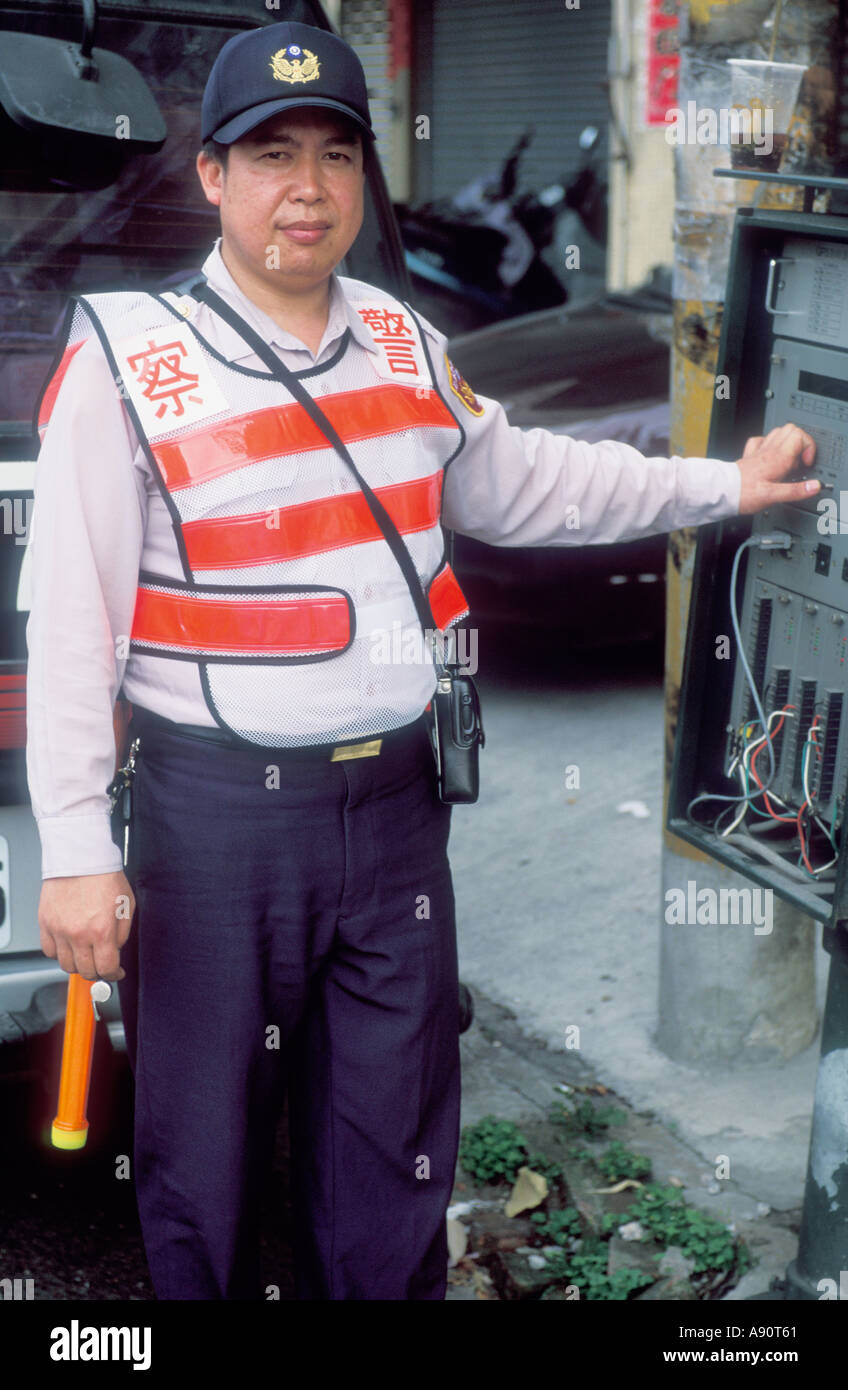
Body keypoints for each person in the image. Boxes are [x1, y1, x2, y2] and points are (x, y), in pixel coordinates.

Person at [27, 20, 820, 1302]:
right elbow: (70, 620)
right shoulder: (129, 358)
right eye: (269, 154)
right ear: (211, 178)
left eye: (335, 155)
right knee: (203, 1161)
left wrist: (720, 482)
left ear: (362, 178)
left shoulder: (400, 337)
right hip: (217, 825)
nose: (307, 187)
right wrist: (74, 849)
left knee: (391, 1150)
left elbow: (527, 483)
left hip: (395, 816)